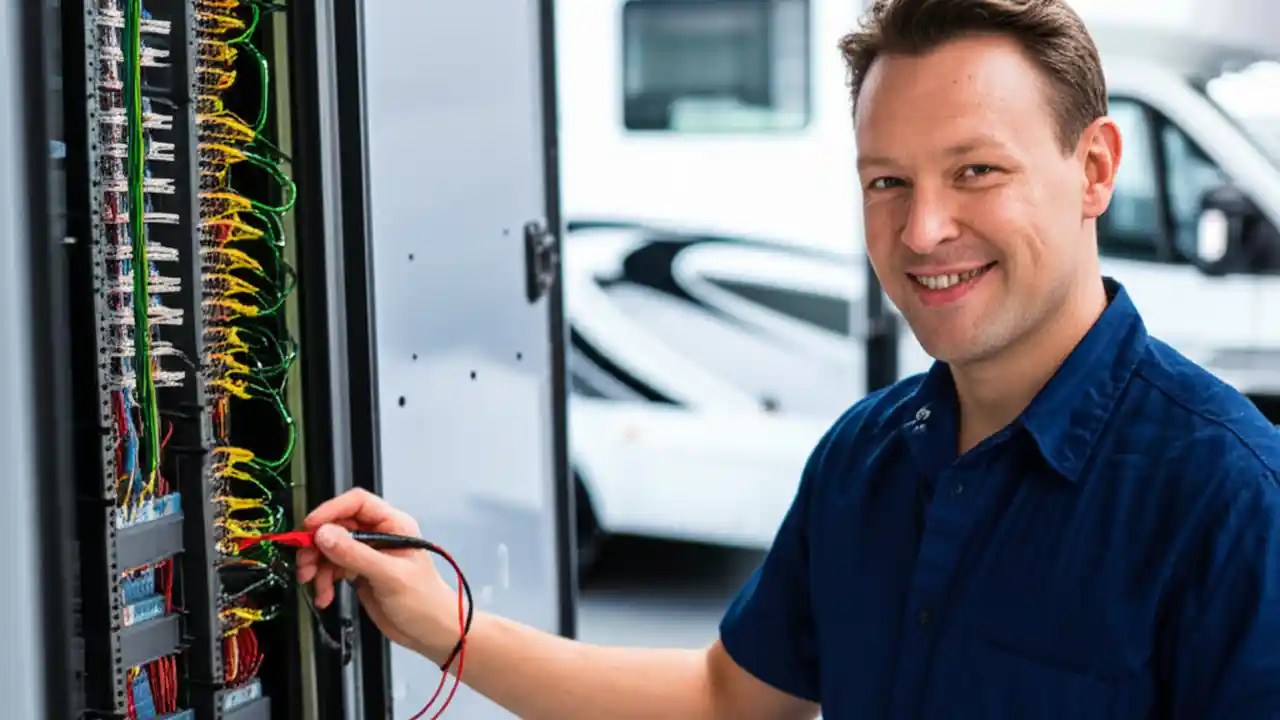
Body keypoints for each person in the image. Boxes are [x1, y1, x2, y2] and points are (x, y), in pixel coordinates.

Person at [297, 0, 1280, 716]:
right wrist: (443, 627)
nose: (922, 228)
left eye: (975, 171)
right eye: (884, 182)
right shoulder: (866, 456)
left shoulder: (1228, 499)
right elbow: (728, 700)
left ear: (1093, 170)